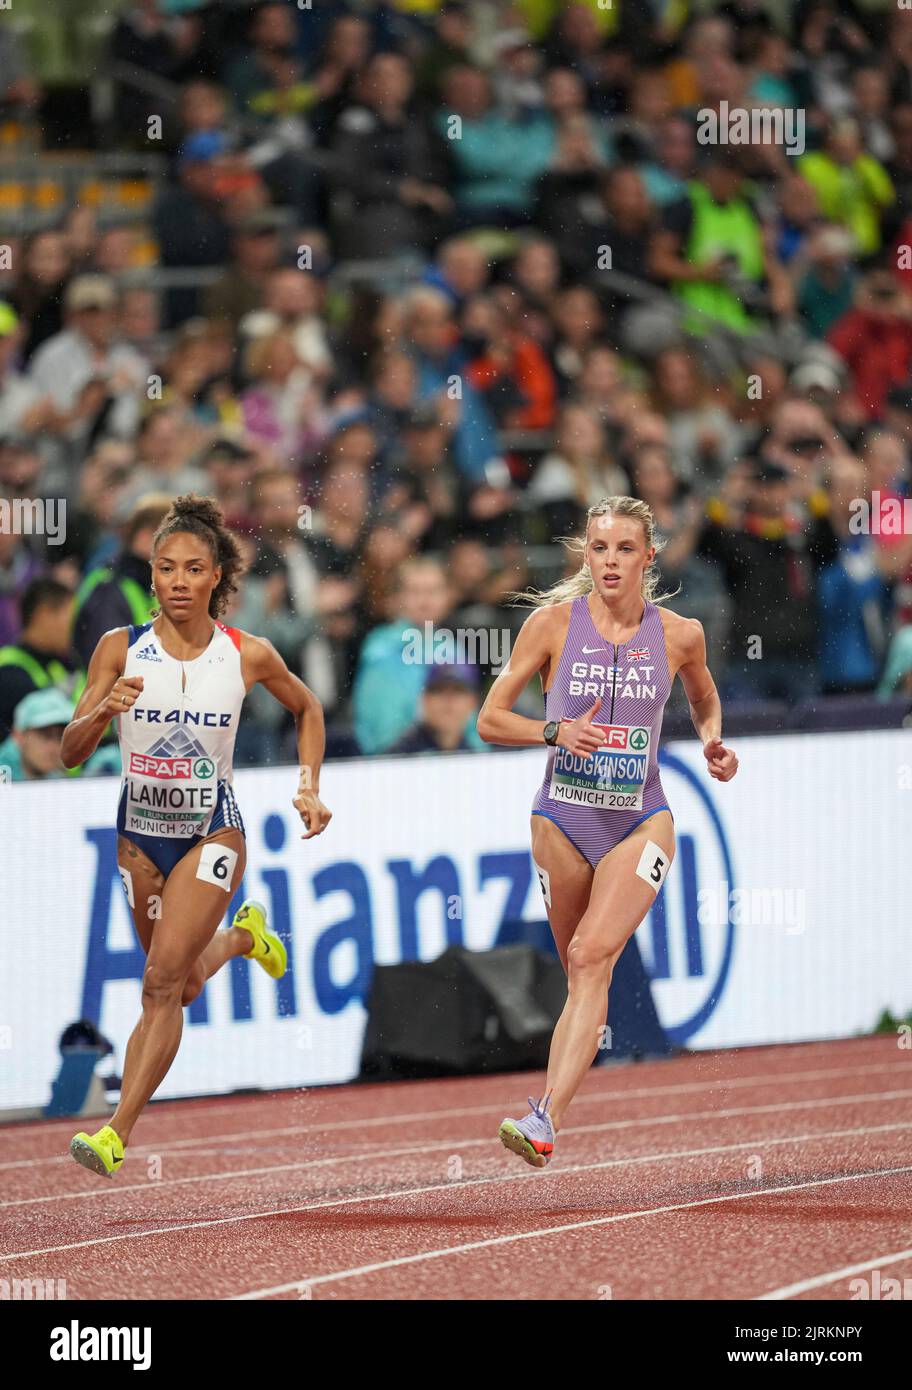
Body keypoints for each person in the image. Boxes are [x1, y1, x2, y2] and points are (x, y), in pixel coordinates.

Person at [61, 494, 332, 1178]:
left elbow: (307, 707)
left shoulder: (247, 654)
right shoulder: (118, 649)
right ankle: (245, 939)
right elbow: (67, 750)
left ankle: (115, 1134)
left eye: (193, 568)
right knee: (177, 988)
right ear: (150, 575)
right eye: (166, 568)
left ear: (216, 578)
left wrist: (308, 785)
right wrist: (101, 712)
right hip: (138, 841)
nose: (178, 581)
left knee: (157, 985)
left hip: (213, 835)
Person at [476, 495, 738, 1166]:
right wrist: (555, 730)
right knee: (578, 969)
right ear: (584, 555)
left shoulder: (680, 634)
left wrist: (712, 741)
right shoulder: (550, 626)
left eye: (625, 549)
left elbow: (704, 694)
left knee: (593, 958)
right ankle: (552, 1106)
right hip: (561, 819)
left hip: (641, 821)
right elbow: (490, 719)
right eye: (599, 549)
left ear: (649, 557)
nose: (610, 561)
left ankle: (544, 1119)